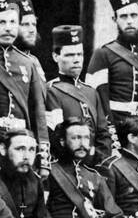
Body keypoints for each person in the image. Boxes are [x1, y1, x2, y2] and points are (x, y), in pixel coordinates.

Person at [85, 0, 138, 152]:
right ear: (114, 19)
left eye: (133, 16)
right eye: (123, 16)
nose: (129, 21)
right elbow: (94, 99)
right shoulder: (103, 54)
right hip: (115, 129)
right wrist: (109, 137)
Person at [0, 0, 50, 177]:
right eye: (2, 22)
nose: (8, 28)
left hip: (23, 147)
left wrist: (43, 160)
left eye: (13, 22)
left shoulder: (27, 63)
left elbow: (38, 112)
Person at [45, 24, 111, 162]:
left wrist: (99, 161)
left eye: (79, 54)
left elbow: (103, 135)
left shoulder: (91, 92)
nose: (76, 59)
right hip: (67, 164)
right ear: (55, 56)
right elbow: (57, 135)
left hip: (93, 166)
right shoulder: (51, 91)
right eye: (69, 55)